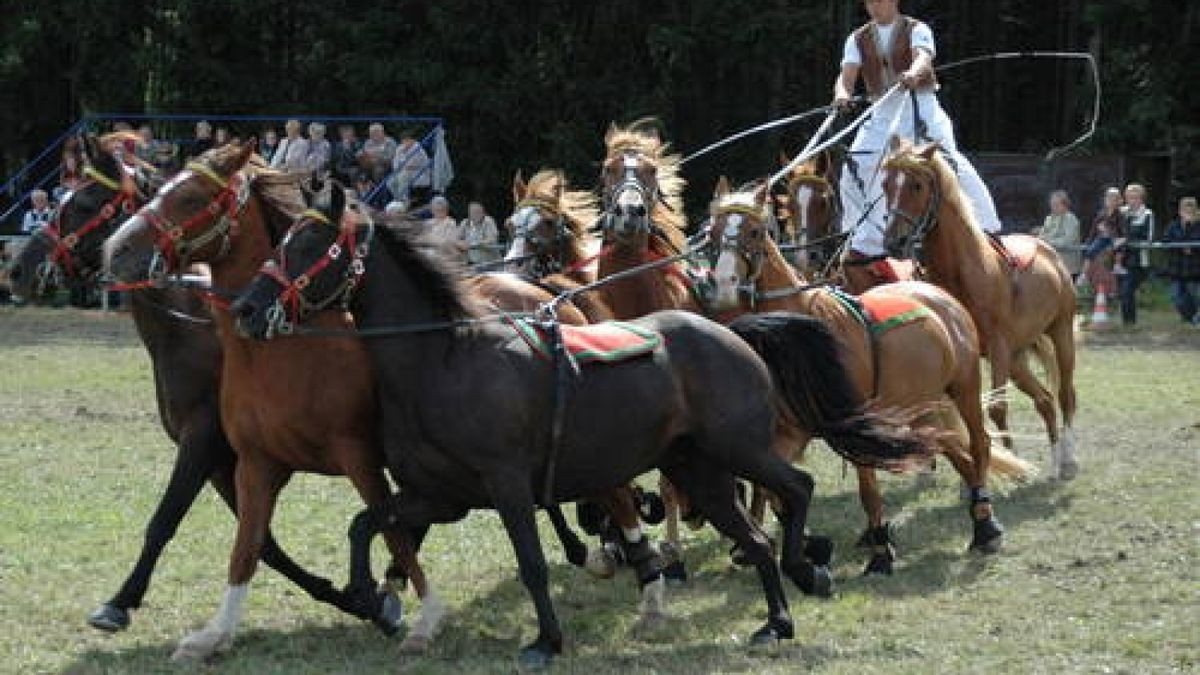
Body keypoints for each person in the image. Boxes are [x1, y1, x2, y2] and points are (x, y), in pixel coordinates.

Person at [831, 0, 1002, 284]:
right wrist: (842, 93)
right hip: (882, 112)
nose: (874, 6)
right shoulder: (857, 38)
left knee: (950, 165)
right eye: (869, 1)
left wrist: (914, 72)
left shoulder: (916, 29)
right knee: (855, 168)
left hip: (919, 107)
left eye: (879, 0)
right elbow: (847, 75)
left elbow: (923, 57)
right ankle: (863, 241)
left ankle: (987, 226)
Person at [1114, 182, 1155, 326]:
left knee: (1127, 291)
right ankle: (1128, 323)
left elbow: (1148, 238)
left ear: (1142, 198)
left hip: (1138, 261)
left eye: (1136, 197)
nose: (1132, 200)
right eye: (1130, 197)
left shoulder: (1148, 214)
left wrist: (1127, 239)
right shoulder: (1120, 212)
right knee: (1123, 293)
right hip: (1120, 259)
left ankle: (1130, 323)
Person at [1163, 197, 1200, 326]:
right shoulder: (1173, 225)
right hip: (1176, 268)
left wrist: (1192, 248)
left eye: (1191, 210)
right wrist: (1181, 246)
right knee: (1176, 297)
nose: (1188, 213)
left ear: (1196, 211)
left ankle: (1193, 320)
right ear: (1180, 211)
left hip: (1194, 269)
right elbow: (1166, 240)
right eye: (1185, 210)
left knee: (1193, 296)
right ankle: (1190, 319)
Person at [1035, 190, 1081, 276]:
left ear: (1065, 205)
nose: (1053, 207)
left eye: (1056, 205)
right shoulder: (1049, 219)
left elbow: (1067, 241)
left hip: (1068, 266)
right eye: (1052, 204)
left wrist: (1048, 241)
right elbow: (1041, 237)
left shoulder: (1071, 219)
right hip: (1051, 264)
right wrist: (1044, 239)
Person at [390, 132, 432, 205]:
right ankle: (398, 199)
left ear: (413, 140)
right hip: (403, 172)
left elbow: (412, 165)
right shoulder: (399, 149)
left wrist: (402, 166)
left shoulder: (418, 149)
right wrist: (401, 166)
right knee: (390, 182)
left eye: (408, 140)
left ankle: (404, 201)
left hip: (419, 172)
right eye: (404, 140)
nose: (405, 142)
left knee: (403, 177)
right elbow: (395, 163)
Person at [424, 196, 464, 263]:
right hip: (428, 256)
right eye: (437, 210)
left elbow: (448, 241)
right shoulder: (427, 223)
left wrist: (431, 240)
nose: (439, 211)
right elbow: (424, 241)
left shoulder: (450, 222)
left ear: (446, 210)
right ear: (432, 210)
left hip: (444, 256)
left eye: (442, 209)